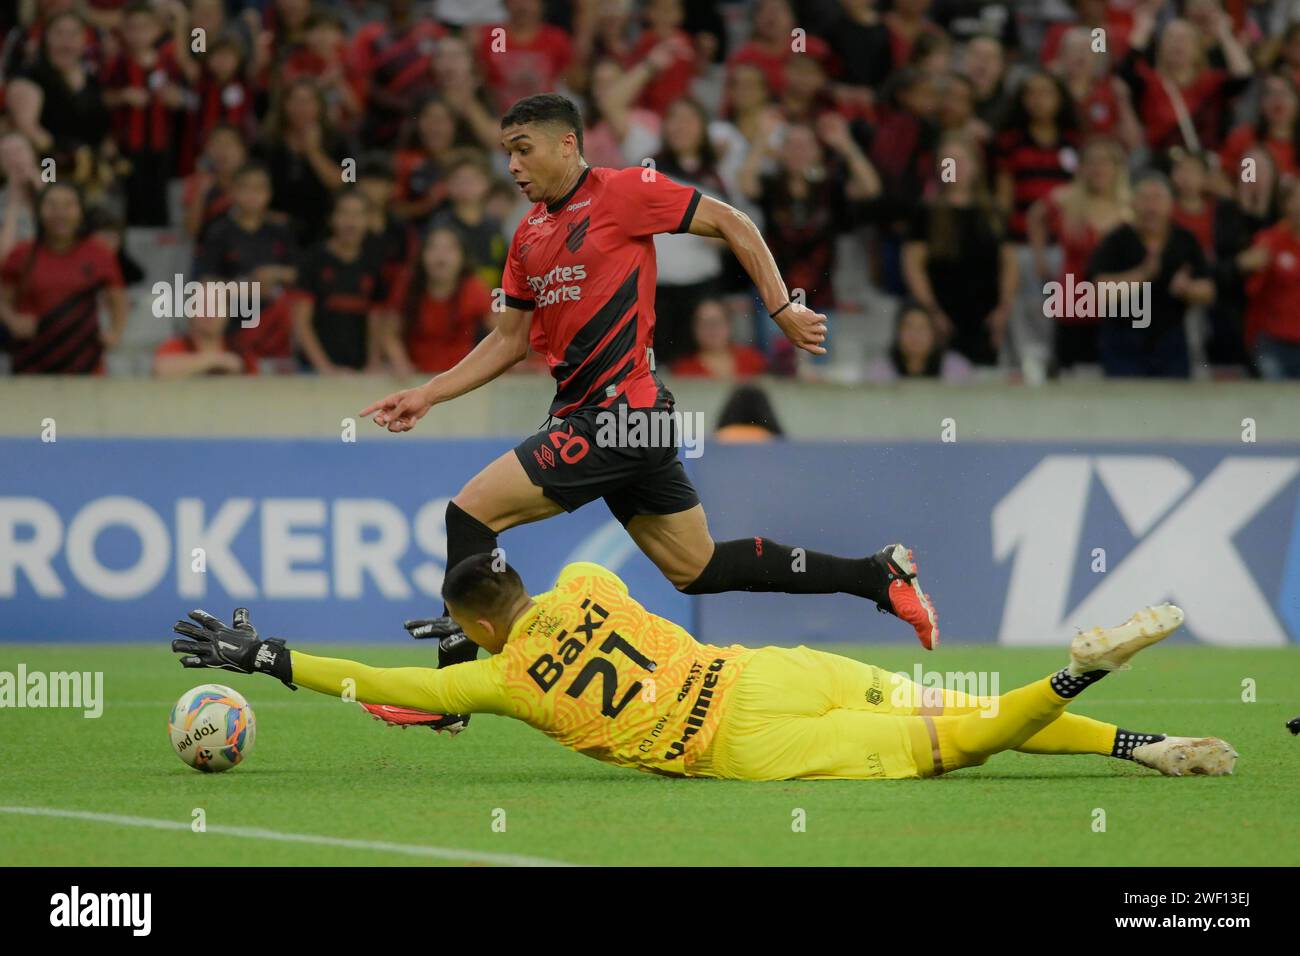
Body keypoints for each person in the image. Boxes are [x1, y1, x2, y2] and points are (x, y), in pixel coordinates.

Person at [359, 93, 938, 731]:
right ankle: (877, 575)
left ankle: (451, 695)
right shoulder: (527, 237)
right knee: (698, 568)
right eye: (507, 155)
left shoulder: (625, 191)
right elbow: (509, 340)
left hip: (614, 414)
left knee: (468, 514)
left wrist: (782, 309)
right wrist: (427, 393)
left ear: (567, 144)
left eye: (523, 151)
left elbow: (732, 222)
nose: (514, 168)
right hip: (633, 423)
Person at [169, 555, 1237, 781]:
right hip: (768, 669)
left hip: (741, 738)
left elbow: (389, 684)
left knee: (948, 744)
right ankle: (1146, 745)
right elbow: (527, 621)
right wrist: (477, 626)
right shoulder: (585, 575)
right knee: (951, 703)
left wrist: (268, 656)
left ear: (471, 628)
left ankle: (1079, 674)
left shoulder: (498, 681)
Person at [0, 182, 126, 374]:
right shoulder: (21, 254)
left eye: (68, 205)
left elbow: (118, 300)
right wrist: (12, 320)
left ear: (81, 212)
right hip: (31, 364)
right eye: (51, 205)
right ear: (39, 211)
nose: (60, 213)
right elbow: (3, 299)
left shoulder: (99, 254)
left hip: (85, 364)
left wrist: (115, 333)